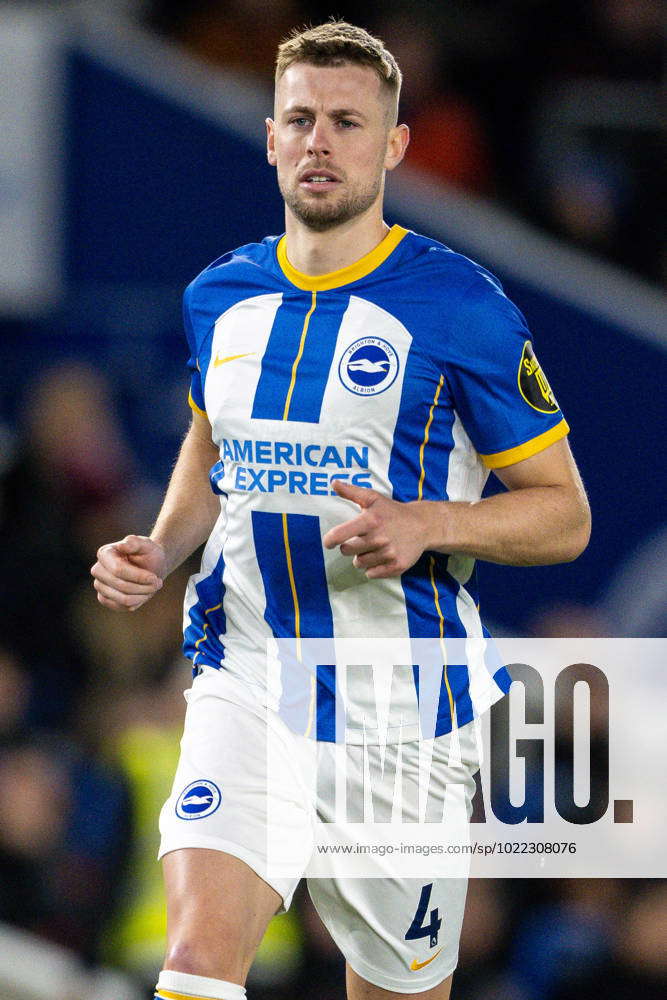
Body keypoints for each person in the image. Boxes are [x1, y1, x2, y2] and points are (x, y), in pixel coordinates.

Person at [91, 21, 591, 1000]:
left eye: (347, 123)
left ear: (393, 145)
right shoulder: (219, 295)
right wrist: (160, 545)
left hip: (399, 704)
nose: (320, 141)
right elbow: (211, 437)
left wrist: (429, 523)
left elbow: (562, 513)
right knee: (193, 963)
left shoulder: (460, 308)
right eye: (301, 119)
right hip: (245, 673)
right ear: (271, 137)